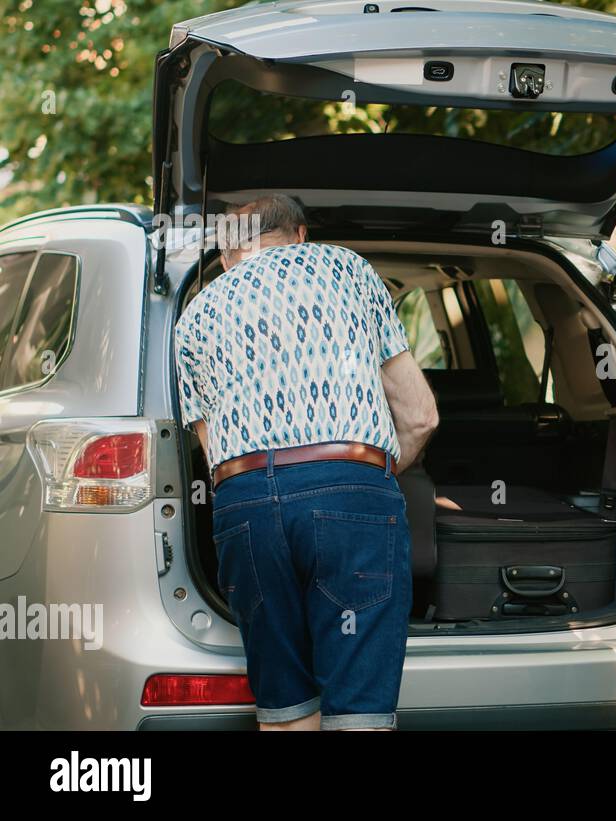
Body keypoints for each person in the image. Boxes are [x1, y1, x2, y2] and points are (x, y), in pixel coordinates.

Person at [174, 194, 439, 730]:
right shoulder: (347, 268)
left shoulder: (194, 317)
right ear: (299, 235)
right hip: (349, 493)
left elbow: (212, 456)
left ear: (228, 256)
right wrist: (373, 478)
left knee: (285, 710)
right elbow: (420, 417)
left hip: (244, 506)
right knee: (358, 713)